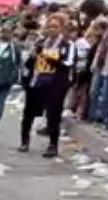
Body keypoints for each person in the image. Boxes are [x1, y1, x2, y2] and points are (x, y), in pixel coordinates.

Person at [19, 13, 74, 157]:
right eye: (50, 26)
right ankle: (24, 141)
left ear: (62, 28)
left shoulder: (67, 45)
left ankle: (52, 145)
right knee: (29, 113)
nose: (52, 29)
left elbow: (67, 65)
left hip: (55, 84)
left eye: (55, 27)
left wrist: (48, 57)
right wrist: (33, 57)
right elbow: (28, 64)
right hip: (37, 81)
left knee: (53, 115)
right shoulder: (40, 42)